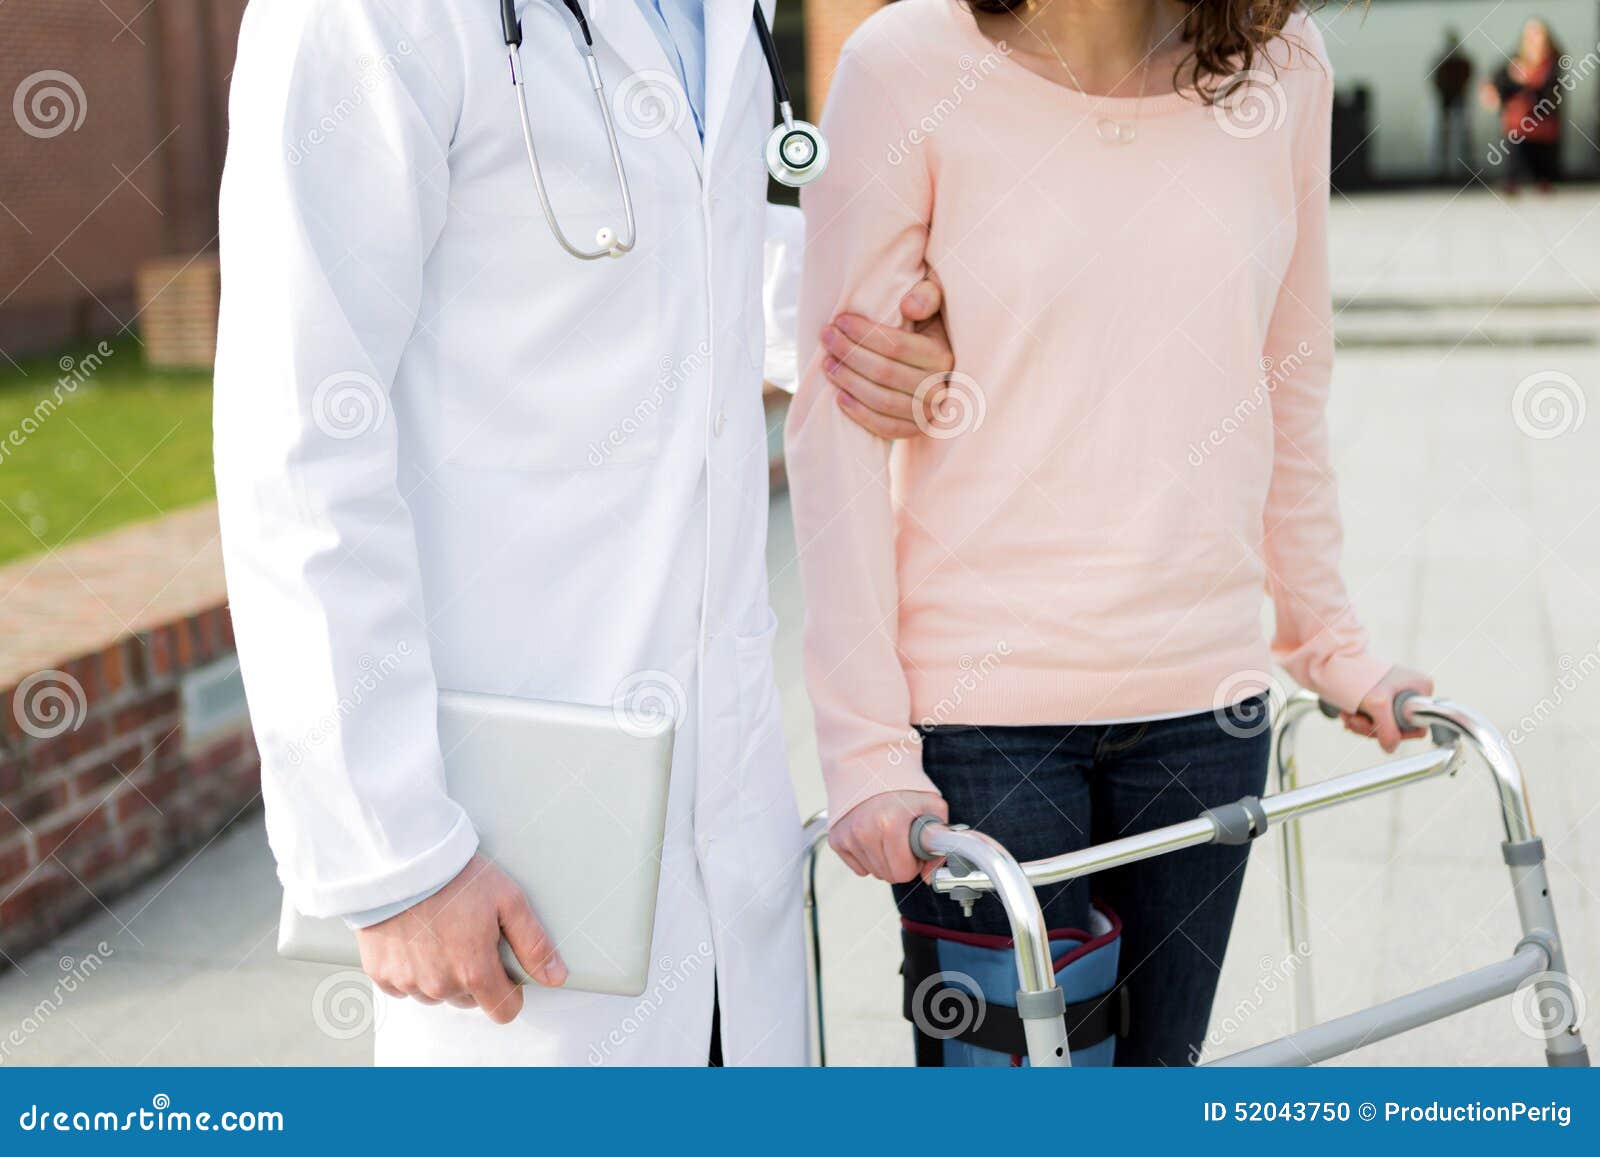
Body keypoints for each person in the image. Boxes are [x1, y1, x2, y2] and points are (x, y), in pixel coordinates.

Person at [213, 0, 954, 1066]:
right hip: (498, 848)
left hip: (724, 847)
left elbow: (691, 233)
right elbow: (297, 431)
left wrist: (880, 326)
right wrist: (393, 857)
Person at [785, 0, 1432, 1067]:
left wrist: (1329, 643)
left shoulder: (1282, 65)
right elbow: (836, 416)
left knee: (1153, 1091)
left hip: (1203, 713)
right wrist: (864, 748)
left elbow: (1288, 375)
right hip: (984, 729)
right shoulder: (902, 67)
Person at [1481, 18, 1564, 193]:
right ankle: (1512, 180)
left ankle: (1543, 179)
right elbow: (1497, 81)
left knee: (1542, 163)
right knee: (1515, 153)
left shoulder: (1552, 63)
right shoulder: (1514, 60)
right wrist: (1493, 92)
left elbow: (1551, 93)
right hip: (1518, 123)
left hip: (1542, 122)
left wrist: (1528, 81)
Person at [1431, 30, 1474, 179]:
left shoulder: (1460, 62)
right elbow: (1436, 78)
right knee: (1446, 133)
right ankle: (1443, 166)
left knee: (1462, 132)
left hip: (1457, 98)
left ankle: (1466, 163)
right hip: (1447, 99)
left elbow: (1468, 74)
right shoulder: (1445, 62)